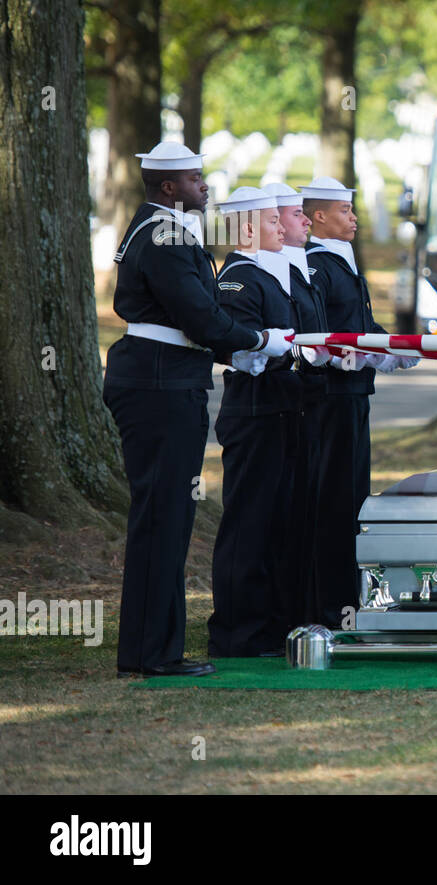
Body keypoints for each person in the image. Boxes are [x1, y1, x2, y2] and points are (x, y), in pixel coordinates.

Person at [104, 142, 293, 677]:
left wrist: (241, 346)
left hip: (165, 377)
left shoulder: (162, 228)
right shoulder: (164, 234)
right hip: (159, 383)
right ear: (168, 187)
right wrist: (258, 340)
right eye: (194, 179)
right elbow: (201, 316)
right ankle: (152, 654)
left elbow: (201, 316)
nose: (204, 186)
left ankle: (151, 649)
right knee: (162, 517)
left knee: (165, 516)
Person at [302, 176, 403, 627]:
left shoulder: (340, 261)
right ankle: (329, 607)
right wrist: (370, 352)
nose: (354, 217)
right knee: (334, 504)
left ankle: (346, 600)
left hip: (353, 395)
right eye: (344, 210)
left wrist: (394, 345)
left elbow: (359, 323)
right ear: (318, 216)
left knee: (352, 501)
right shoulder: (316, 265)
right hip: (331, 398)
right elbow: (323, 333)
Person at [208, 187, 300, 657]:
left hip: (276, 411)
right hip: (253, 412)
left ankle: (263, 625)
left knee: (272, 524)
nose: (282, 228)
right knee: (247, 524)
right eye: (271, 222)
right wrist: (273, 347)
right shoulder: (238, 279)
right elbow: (239, 348)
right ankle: (234, 632)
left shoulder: (265, 275)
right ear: (246, 228)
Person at [265, 181, 331, 632]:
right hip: (273, 406)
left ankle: (297, 611)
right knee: (271, 517)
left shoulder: (299, 267)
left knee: (303, 514)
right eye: (291, 215)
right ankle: (269, 619)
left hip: (305, 403)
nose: (305, 219)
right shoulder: (263, 272)